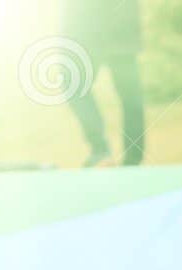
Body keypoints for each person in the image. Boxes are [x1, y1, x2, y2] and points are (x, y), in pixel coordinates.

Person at [62, 0, 145, 167]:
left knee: (75, 85)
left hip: (93, 30)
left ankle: (103, 152)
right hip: (111, 31)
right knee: (130, 97)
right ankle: (125, 157)